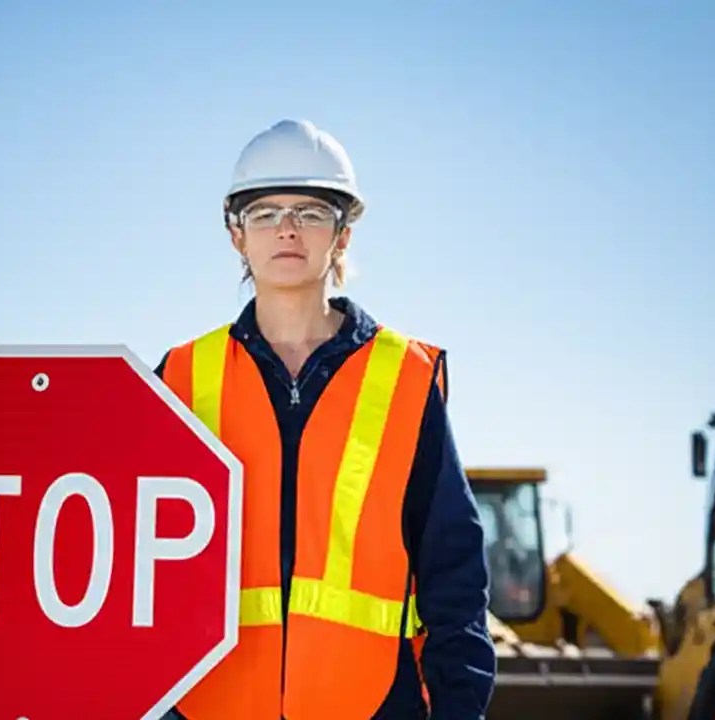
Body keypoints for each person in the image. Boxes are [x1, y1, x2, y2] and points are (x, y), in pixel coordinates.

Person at [153, 119, 496, 719]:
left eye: (311, 211)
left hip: (372, 705)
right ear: (237, 235)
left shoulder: (404, 378)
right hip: (211, 707)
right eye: (265, 212)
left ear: (342, 234)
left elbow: (454, 574)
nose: (287, 227)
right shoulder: (180, 376)